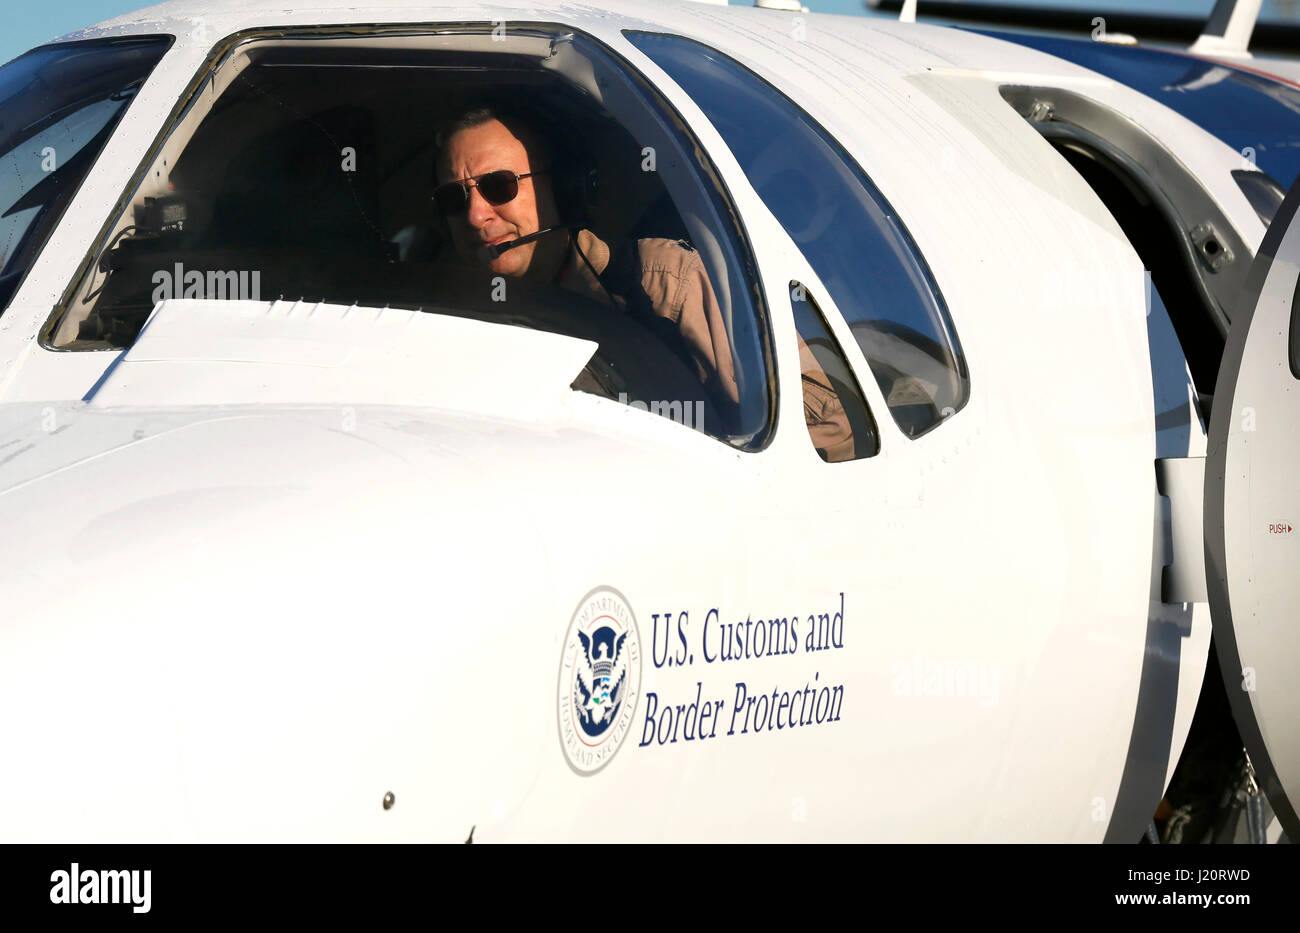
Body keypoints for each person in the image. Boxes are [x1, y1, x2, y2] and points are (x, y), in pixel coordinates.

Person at [432, 106, 854, 461]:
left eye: (498, 186)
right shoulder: (433, 314)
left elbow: (830, 427)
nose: (475, 216)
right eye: (455, 198)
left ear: (566, 187)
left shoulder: (663, 283)